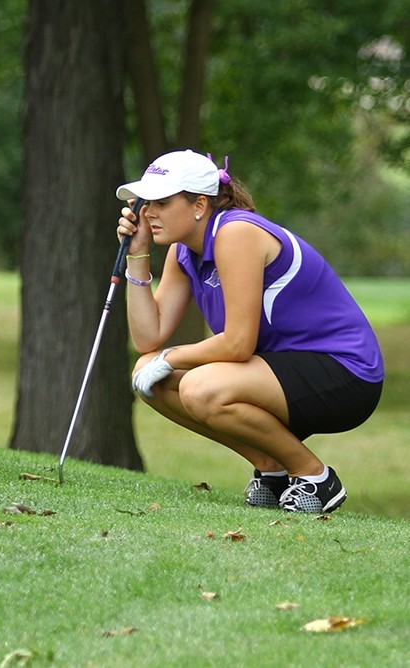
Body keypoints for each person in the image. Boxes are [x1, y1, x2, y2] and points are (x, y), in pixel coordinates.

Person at [115, 149, 383, 513]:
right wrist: (137, 254)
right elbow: (148, 337)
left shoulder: (235, 231)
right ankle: (270, 468)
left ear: (198, 205)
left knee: (197, 385)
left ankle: (315, 478)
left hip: (346, 373)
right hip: (280, 369)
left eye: (161, 202)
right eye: (147, 203)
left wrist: (170, 357)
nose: (148, 213)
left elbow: (239, 344)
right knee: (145, 371)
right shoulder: (184, 250)